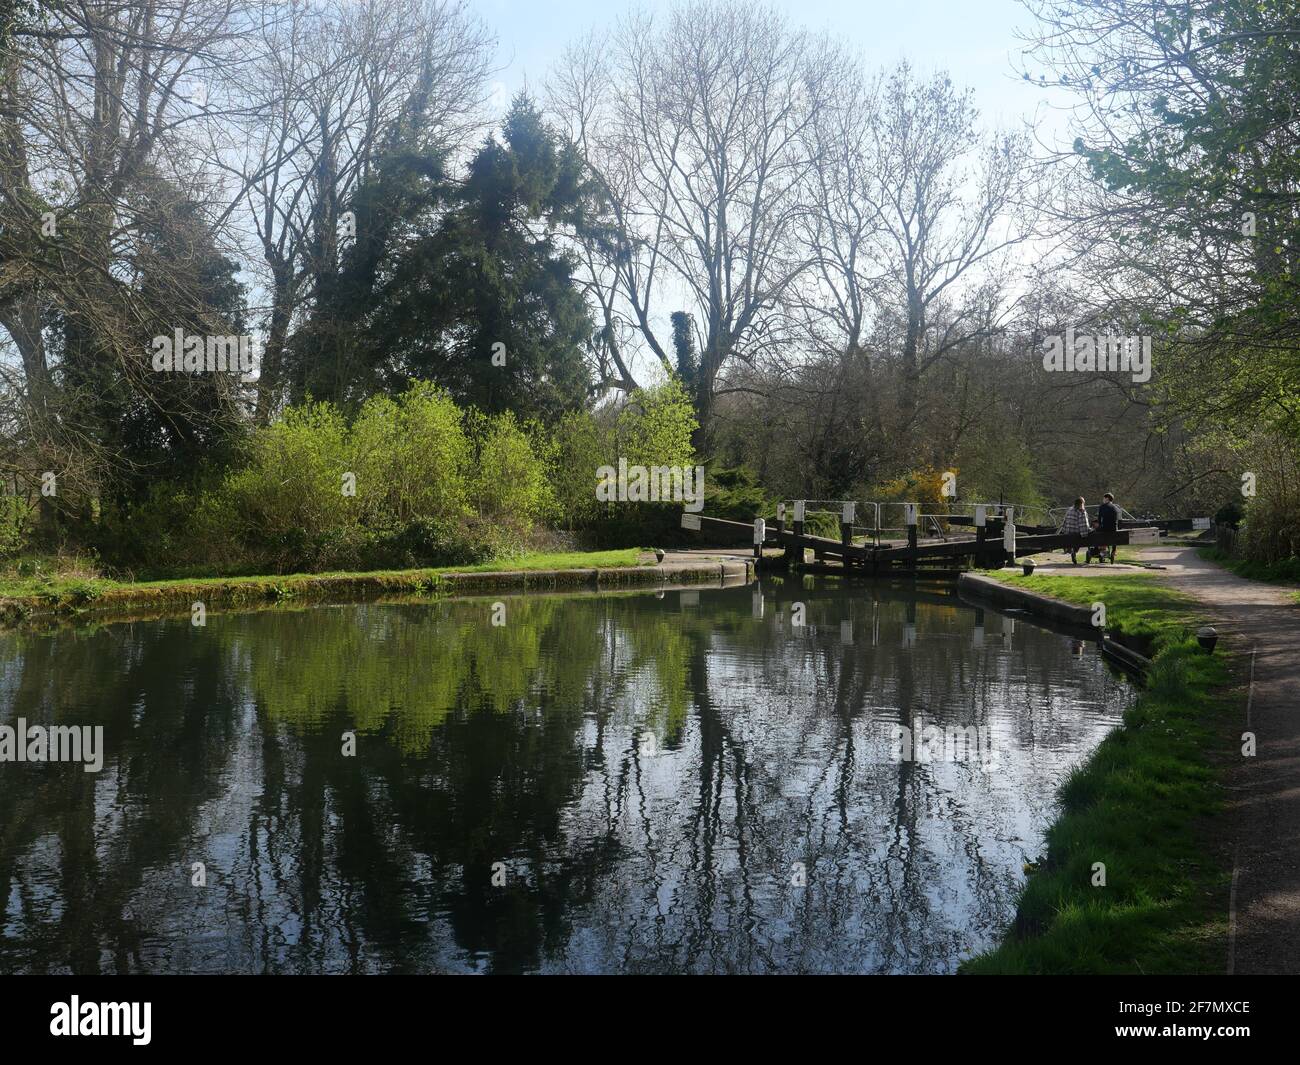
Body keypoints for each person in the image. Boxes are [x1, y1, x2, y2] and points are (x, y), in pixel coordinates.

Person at [1058, 496, 1090, 564]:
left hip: (1068, 532)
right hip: (1076, 534)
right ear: (1081, 504)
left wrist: (1064, 531)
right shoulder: (1081, 511)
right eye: (1084, 503)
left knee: (1075, 540)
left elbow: (1064, 521)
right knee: (1082, 538)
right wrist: (1088, 532)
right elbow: (1083, 525)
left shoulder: (1069, 509)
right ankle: (1074, 551)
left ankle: (1072, 550)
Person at [1097, 492, 1120, 563]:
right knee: (1113, 536)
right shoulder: (1115, 507)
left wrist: (1100, 526)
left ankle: (1102, 551)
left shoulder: (1102, 507)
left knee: (1097, 533)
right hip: (1113, 529)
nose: (1103, 500)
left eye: (1103, 498)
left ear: (1107, 498)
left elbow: (1099, 519)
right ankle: (1113, 551)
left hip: (1105, 529)